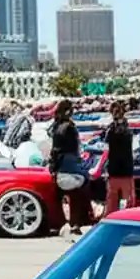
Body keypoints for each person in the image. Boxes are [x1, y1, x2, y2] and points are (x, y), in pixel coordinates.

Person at [47, 100, 90, 236]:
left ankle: (58, 224)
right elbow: (74, 147)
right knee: (77, 195)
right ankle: (75, 224)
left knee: (58, 196)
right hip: (70, 163)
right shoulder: (70, 127)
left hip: (58, 164)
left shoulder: (55, 126)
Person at [102, 101, 134, 214]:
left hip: (113, 170)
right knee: (126, 200)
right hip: (126, 170)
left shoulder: (110, 130)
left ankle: (111, 220)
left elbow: (106, 150)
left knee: (112, 201)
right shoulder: (128, 130)